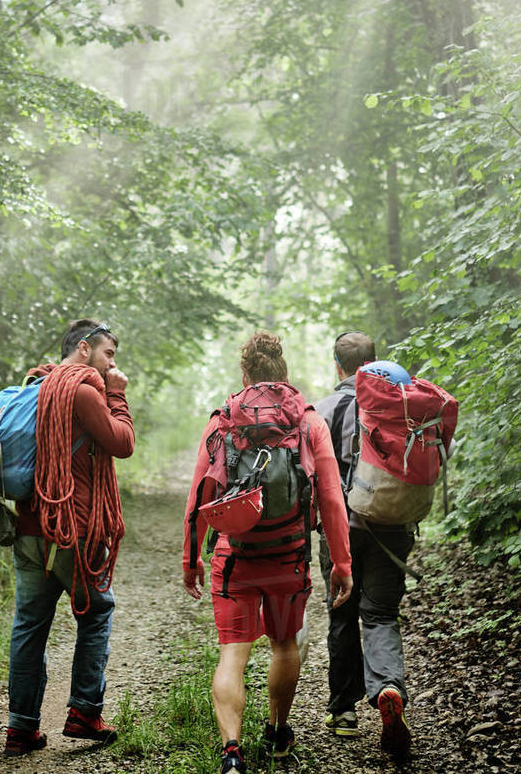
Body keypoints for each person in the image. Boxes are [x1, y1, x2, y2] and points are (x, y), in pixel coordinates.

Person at [181, 331, 353, 774]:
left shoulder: (223, 422)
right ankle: (277, 734)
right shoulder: (308, 423)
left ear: (246, 375)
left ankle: (232, 754)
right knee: (284, 645)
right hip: (288, 557)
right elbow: (332, 499)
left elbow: (200, 496)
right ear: (284, 373)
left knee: (232, 654)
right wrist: (341, 562)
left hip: (235, 559)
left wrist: (191, 556)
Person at [3, 319, 135, 757]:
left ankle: (21, 728)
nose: (111, 364)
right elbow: (122, 442)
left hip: (28, 528)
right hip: (73, 529)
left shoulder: (34, 387)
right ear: (83, 348)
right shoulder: (82, 391)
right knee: (97, 612)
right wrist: (117, 394)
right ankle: (84, 711)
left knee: (29, 626)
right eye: (108, 354)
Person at [314, 331, 413, 756]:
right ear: (375, 362)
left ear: (338, 365)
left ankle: (344, 712)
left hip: (342, 530)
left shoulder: (323, 410)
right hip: (393, 524)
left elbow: (310, 474)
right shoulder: (401, 406)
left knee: (342, 614)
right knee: (381, 614)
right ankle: (388, 686)